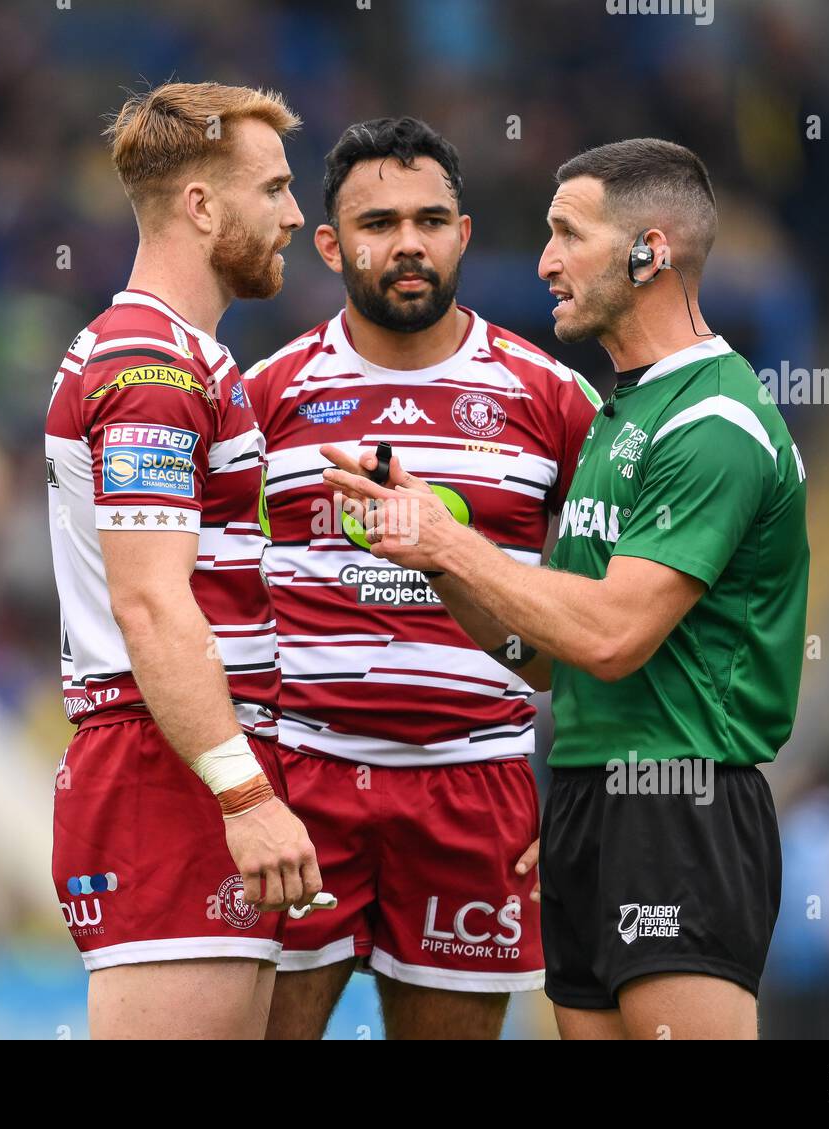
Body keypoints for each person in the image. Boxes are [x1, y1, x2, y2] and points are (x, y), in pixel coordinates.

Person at [324, 138, 809, 1040]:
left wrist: (453, 543)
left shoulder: (715, 420)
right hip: (592, 800)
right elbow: (548, 662)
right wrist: (430, 553)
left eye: (567, 235)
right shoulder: (618, 416)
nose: (543, 261)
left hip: (684, 800)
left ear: (649, 252)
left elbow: (613, 636)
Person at [245, 117, 600, 1039]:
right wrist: (237, 792)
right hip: (303, 783)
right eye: (378, 223)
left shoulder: (553, 398)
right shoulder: (263, 396)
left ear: (464, 233)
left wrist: (570, 793)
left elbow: (613, 614)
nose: (408, 242)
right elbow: (208, 601)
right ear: (329, 244)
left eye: (431, 219)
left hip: (476, 787)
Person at [45, 81, 322, 1039]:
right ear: (200, 205)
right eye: (275, 188)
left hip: (188, 758)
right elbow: (153, 605)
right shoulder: (150, 364)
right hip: (166, 766)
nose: (296, 214)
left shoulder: (183, 356)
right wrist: (243, 792)